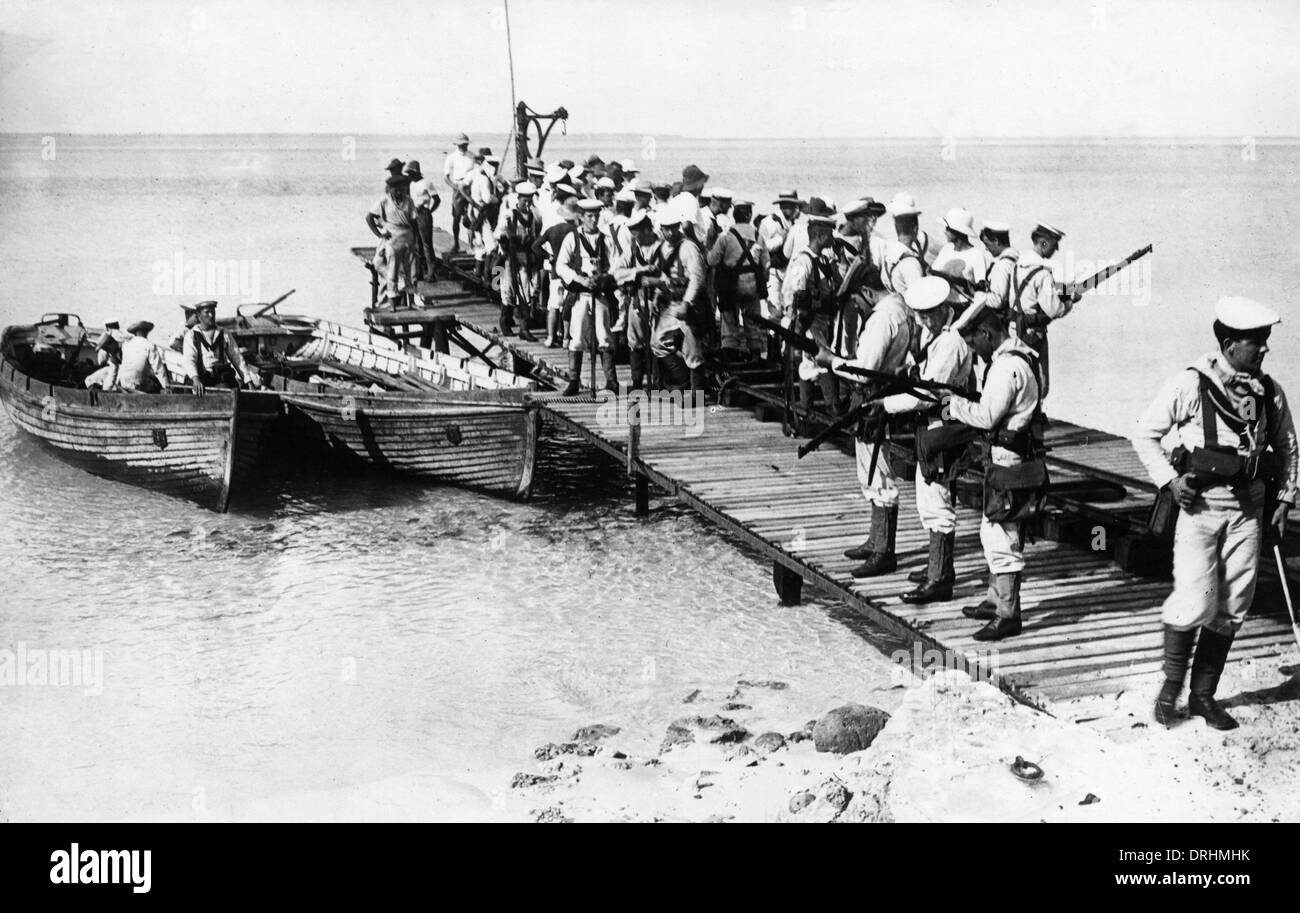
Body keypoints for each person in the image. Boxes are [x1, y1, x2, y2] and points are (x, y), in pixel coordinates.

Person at [1132, 297, 1298, 729]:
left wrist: (1284, 499)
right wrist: (1170, 481)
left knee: (1234, 604)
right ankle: (1170, 690)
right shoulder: (1190, 385)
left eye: (1265, 341)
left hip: (1249, 512)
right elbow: (1145, 434)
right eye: (1255, 341)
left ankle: (1203, 695)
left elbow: (1288, 448)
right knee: (1193, 597)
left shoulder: (1270, 393)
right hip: (1201, 510)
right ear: (1228, 343)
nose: (1263, 350)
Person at [815, 251, 917, 579]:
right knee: (873, 471)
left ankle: (883, 551)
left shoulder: (880, 318)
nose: (857, 309)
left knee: (878, 474)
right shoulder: (901, 307)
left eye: (858, 302)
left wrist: (832, 362)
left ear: (868, 292)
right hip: (881, 399)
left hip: (872, 400)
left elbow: (865, 372)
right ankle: (876, 541)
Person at [948, 294, 1044, 641]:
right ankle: (994, 599)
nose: (975, 350)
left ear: (987, 333)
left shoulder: (1005, 366)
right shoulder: (1027, 357)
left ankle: (1008, 614)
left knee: (1003, 535)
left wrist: (954, 407)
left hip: (1008, 460)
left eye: (975, 341)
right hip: (1012, 458)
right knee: (993, 529)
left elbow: (988, 416)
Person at [879, 277, 975, 602]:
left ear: (944, 310)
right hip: (930, 427)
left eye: (930, 314)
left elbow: (928, 395)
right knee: (927, 498)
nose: (924, 321)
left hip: (943, 426)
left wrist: (887, 405)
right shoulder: (935, 337)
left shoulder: (950, 343)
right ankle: (937, 566)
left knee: (937, 499)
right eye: (920, 315)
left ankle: (940, 578)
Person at [784, 199, 842, 418]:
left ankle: (809, 408)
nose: (832, 237)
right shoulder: (805, 261)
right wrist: (799, 328)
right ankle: (824, 408)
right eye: (829, 233)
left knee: (814, 364)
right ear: (819, 235)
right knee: (819, 362)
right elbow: (798, 295)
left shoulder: (823, 260)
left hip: (822, 320)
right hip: (810, 322)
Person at [556, 198, 618, 395]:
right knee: (577, 337)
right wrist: (580, 279)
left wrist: (604, 276)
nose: (593, 220)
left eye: (596, 216)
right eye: (589, 216)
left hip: (599, 295)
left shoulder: (606, 239)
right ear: (581, 217)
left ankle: (611, 381)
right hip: (580, 295)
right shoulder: (572, 238)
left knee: (604, 336)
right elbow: (561, 266)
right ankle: (574, 381)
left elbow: (615, 263)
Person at [1013, 222, 1080, 396]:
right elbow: (1054, 310)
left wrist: (1062, 289)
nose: (1056, 249)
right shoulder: (1043, 273)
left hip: (1014, 329)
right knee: (1039, 381)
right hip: (1033, 334)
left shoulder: (1018, 265)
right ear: (1043, 243)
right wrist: (1071, 301)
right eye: (1054, 244)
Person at [652, 200, 708, 393]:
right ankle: (682, 379)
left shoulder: (688, 247)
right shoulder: (664, 248)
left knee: (692, 349)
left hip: (691, 305)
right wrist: (658, 295)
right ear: (662, 229)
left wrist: (687, 302)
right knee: (658, 343)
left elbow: (697, 278)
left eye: (674, 228)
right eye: (667, 229)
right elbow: (664, 275)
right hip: (673, 302)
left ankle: (697, 392)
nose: (671, 232)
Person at [707, 199, 769, 363]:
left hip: (730, 286)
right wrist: (763, 282)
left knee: (729, 320)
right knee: (753, 319)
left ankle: (730, 354)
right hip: (752, 285)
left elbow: (712, 260)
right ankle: (755, 354)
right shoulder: (758, 236)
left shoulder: (725, 236)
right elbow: (766, 264)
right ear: (749, 215)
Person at [612, 209, 666, 390]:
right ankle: (637, 382)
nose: (636, 239)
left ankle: (659, 382)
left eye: (638, 234)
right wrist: (637, 271)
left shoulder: (663, 248)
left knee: (658, 342)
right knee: (635, 341)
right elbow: (616, 272)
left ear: (647, 230)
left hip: (659, 300)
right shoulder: (632, 249)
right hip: (637, 300)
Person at [182, 301, 261, 394]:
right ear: (199, 315)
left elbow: (237, 359)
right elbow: (189, 360)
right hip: (201, 379)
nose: (211, 315)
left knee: (231, 393)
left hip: (220, 379)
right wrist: (195, 379)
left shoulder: (224, 333)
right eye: (207, 312)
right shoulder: (191, 336)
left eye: (213, 312)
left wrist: (248, 381)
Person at [366, 173, 421, 307]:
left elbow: (414, 222)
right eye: (395, 189)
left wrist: (416, 240)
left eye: (401, 189)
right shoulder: (384, 201)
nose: (399, 192)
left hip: (407, 236)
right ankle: (393, 305)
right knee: (392, 272)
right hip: (393, 237)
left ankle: (412, 302)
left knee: (411, 272)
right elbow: (369, 217)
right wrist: (379, 235)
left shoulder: (409, 200)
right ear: (390, 189)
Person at [496, 183, 542, 340]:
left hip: (527, 258)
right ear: (518, 199)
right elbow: (499, 234)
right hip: (511, 258)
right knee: (508, 290)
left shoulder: (534, 217)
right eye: (524, 201)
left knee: (528, 290)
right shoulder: (509, 216)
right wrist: (508, 241)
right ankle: (505, 320)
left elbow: (535, 236)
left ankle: (524, 327)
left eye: (530, 201)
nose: (527, 204)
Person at [534, 197, 579, 348]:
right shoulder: (576, 232)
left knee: (553, 305)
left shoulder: (553, 229)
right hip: (570, 273)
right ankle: (566, 338)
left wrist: (549, 257)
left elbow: (535, 246)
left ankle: (550, 337)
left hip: (554, 273)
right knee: (568, 306)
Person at [930, 208, 989, 305]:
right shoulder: (946, 249)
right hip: (944, 304)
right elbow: (934, 273)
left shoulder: (976, 254)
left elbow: (980, 287)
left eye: (948, 229)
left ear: (957, 230)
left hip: (964, 305)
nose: (945, 232)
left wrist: (956, 280)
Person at [404, 160, 441, 281]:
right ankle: (419, 271)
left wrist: (429, 210)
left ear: (415, 172)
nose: (409, 175)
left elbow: (436, 199)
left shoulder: (426, 183)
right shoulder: (412, 184)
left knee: (426, 244)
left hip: (423, 212)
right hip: (414, 213)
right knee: (417, 244)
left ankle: (432, 272)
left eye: (410, 173)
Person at [115, 320, 171, 393]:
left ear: (135, 333)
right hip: (138, 384)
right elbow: (158, 369)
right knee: (157, 387)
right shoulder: (149, 345)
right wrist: (166, 386)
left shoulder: (126, 345)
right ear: (146, 332)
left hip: (123, 382)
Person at [443, 133, 475, 252]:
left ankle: (471, 244)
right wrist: (454, 187)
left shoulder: (472, 156)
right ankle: (456, 243)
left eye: (465, 144)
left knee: (471, 216)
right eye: (462, 144)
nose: (464, 146)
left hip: (470, 187)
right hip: (457, 186)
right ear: (457, 145)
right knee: (456, 217)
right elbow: (446, 177)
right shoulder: (451, 157)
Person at [979, 220, 1018, 310]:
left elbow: (996, 301)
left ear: (996, 241)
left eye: (987, 244)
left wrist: (977, 294)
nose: (986, 249)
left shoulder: (1002, 265)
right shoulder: (1017, 258)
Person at [84, 323, 125, 389]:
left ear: (108, 328)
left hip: (114, 367)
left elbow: (101, 361)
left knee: (89, 380)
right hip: (123, 369)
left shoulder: (107, 337)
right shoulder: (123, 336)